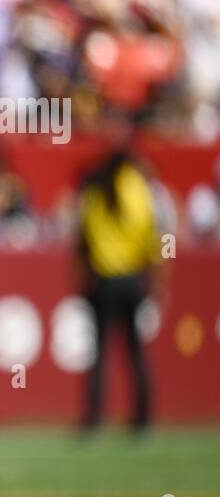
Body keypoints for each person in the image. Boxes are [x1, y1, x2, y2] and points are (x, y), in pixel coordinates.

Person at [76, 149, 160, 433]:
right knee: (136, 352)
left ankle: (95, 419)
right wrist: (156, 280)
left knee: (100, 351)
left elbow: (83, 236)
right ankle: (144, 419)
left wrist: (82, 276)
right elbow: (153, 235)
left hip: (104, 279)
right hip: (133, 278)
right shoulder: (137, 188)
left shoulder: (95, 190)